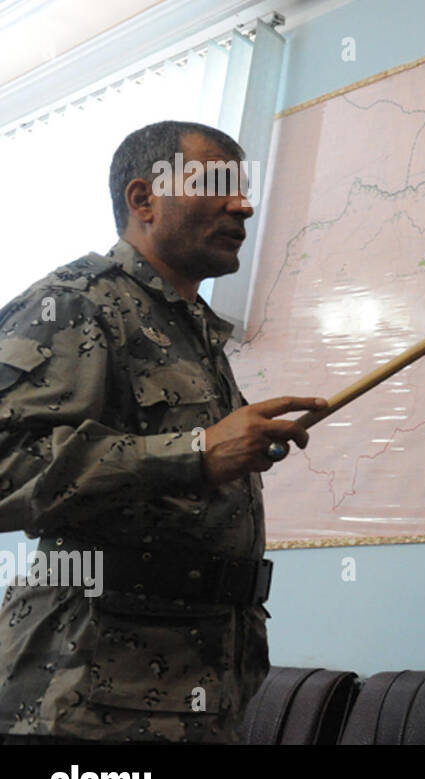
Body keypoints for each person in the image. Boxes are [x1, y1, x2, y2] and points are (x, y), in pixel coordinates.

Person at [0, 120, 325, 743]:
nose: (243, 204)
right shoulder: (76, 302)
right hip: (81, 700)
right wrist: (198, 453)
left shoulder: (194, 330)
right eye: (218, 184)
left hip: (199, 691)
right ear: (143, 200)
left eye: (245, 188)